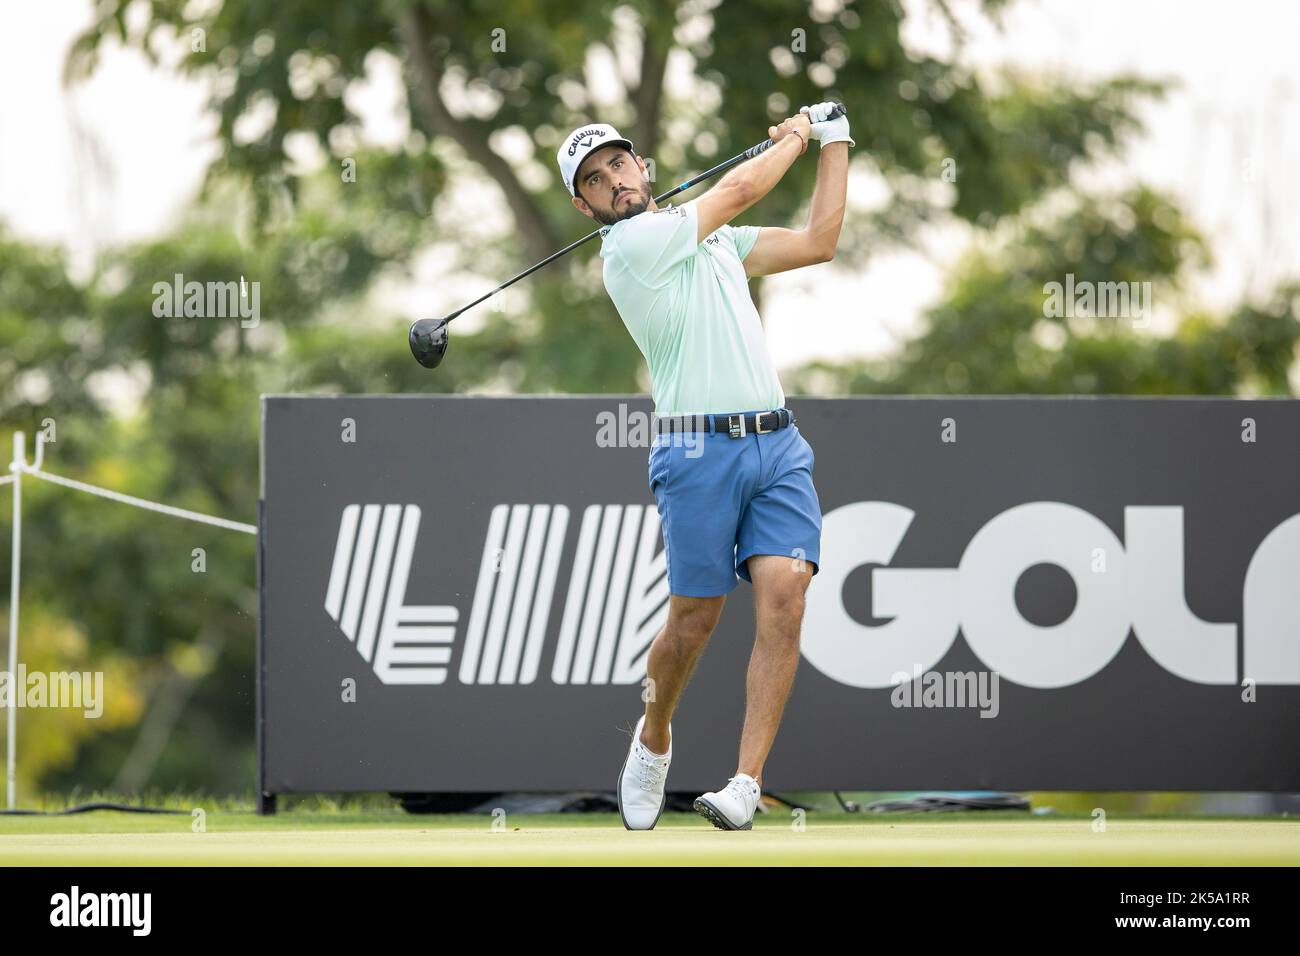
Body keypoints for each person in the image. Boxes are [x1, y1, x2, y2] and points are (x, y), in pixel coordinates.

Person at [555, 102, 853, 830]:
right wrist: (795, 135)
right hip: (694, 451)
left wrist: (835, 141)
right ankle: (653, 739)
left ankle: (746, 783)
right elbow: (741, 190)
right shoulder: (631, 249)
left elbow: (819, 242)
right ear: (583, 203)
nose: (614, 181)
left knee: (784, 598)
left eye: (619, 163)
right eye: (595, 179)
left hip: (776, 442)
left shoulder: (715, 243)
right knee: (694, 621)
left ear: (641, 165)